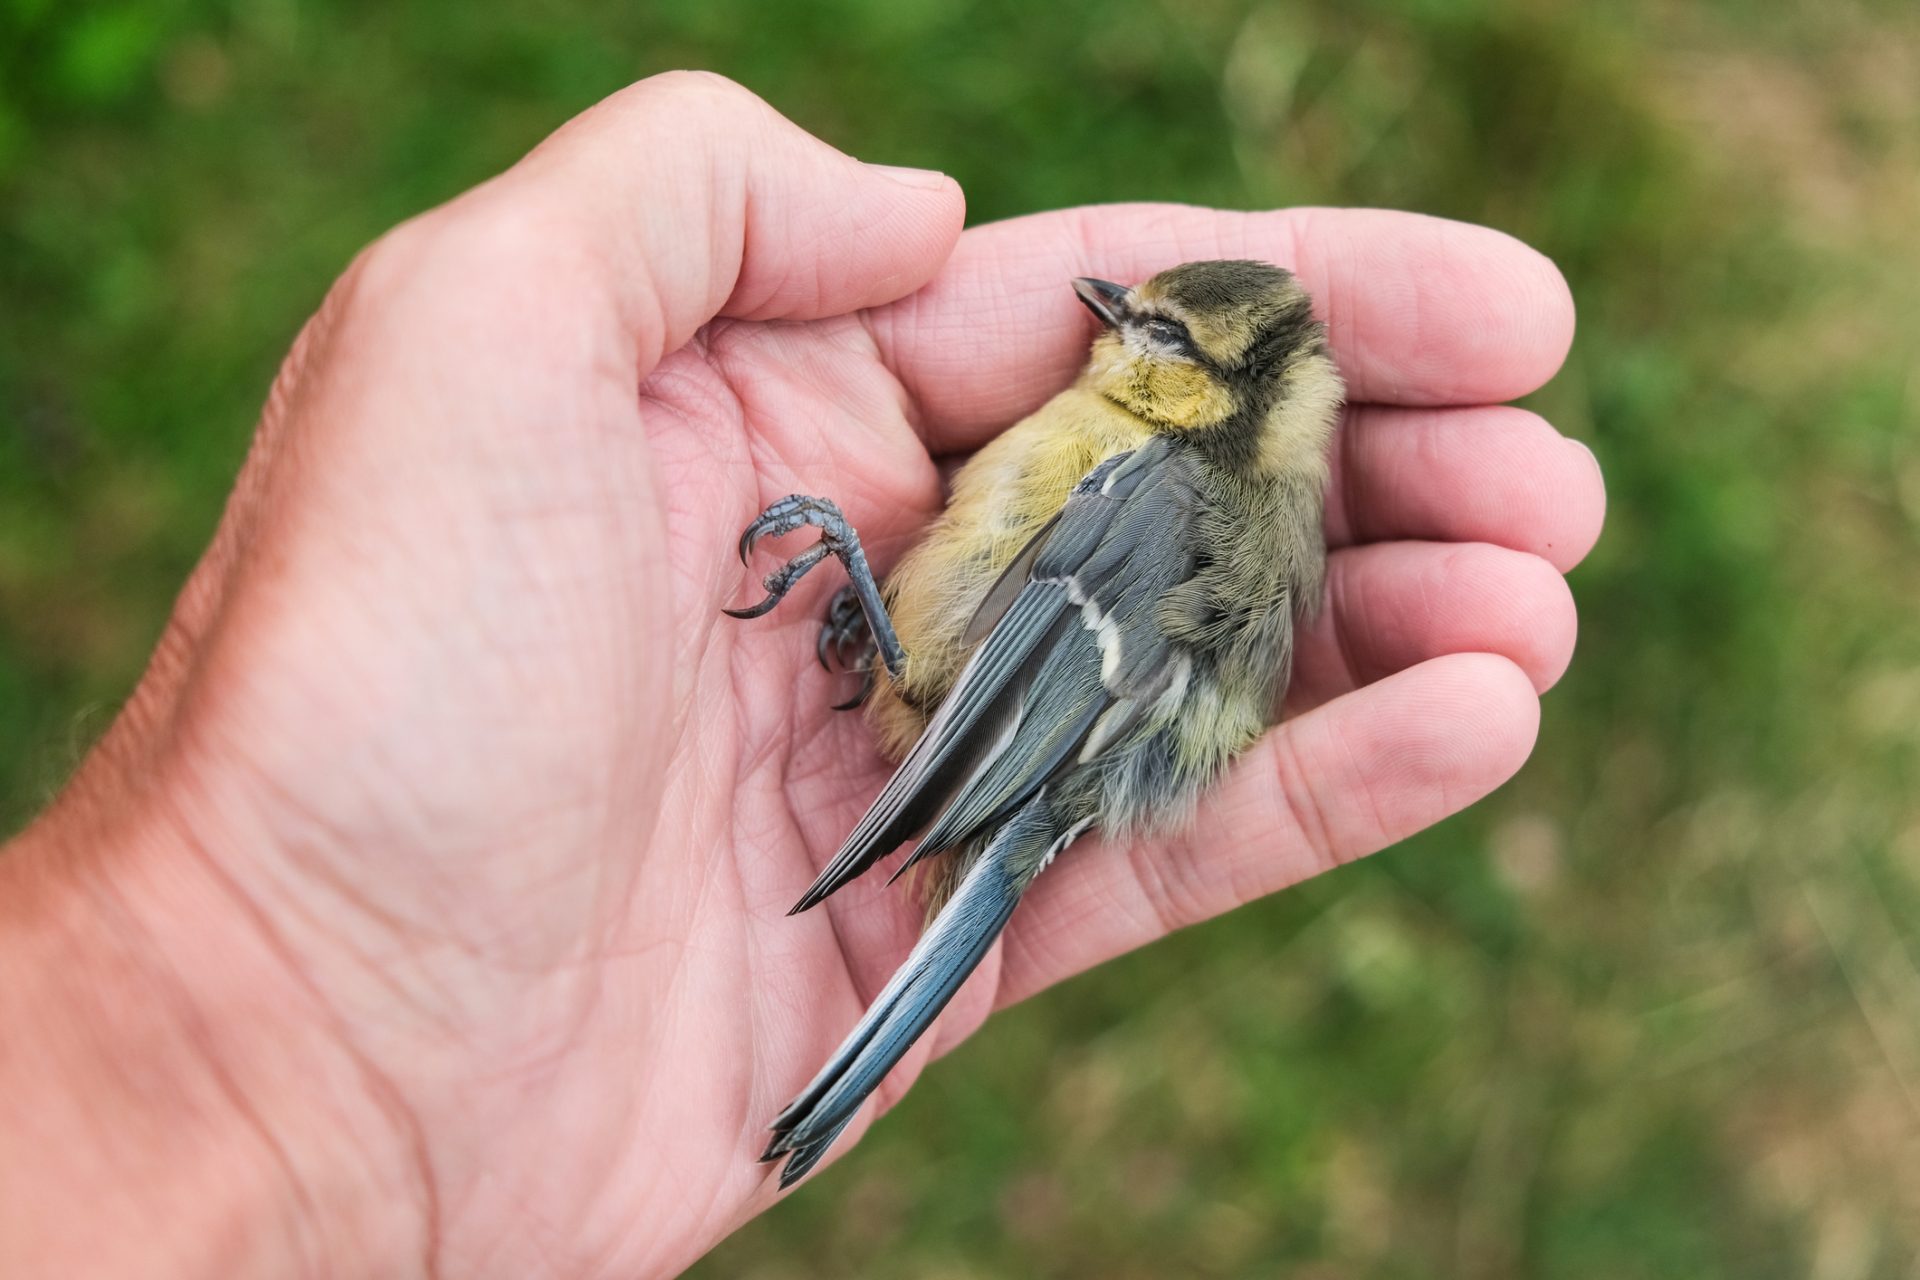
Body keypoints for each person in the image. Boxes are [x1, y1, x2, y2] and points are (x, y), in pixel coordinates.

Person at [0, 72, 1603, 1278]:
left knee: (951, 664)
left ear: (1216, 402)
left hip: (1000, 740)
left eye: (1162, 341)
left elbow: (1024, 683)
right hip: (1016, 753)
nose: (1124, 331)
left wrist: (889, 667)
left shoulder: (1155, 481)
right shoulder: (1175, 469)